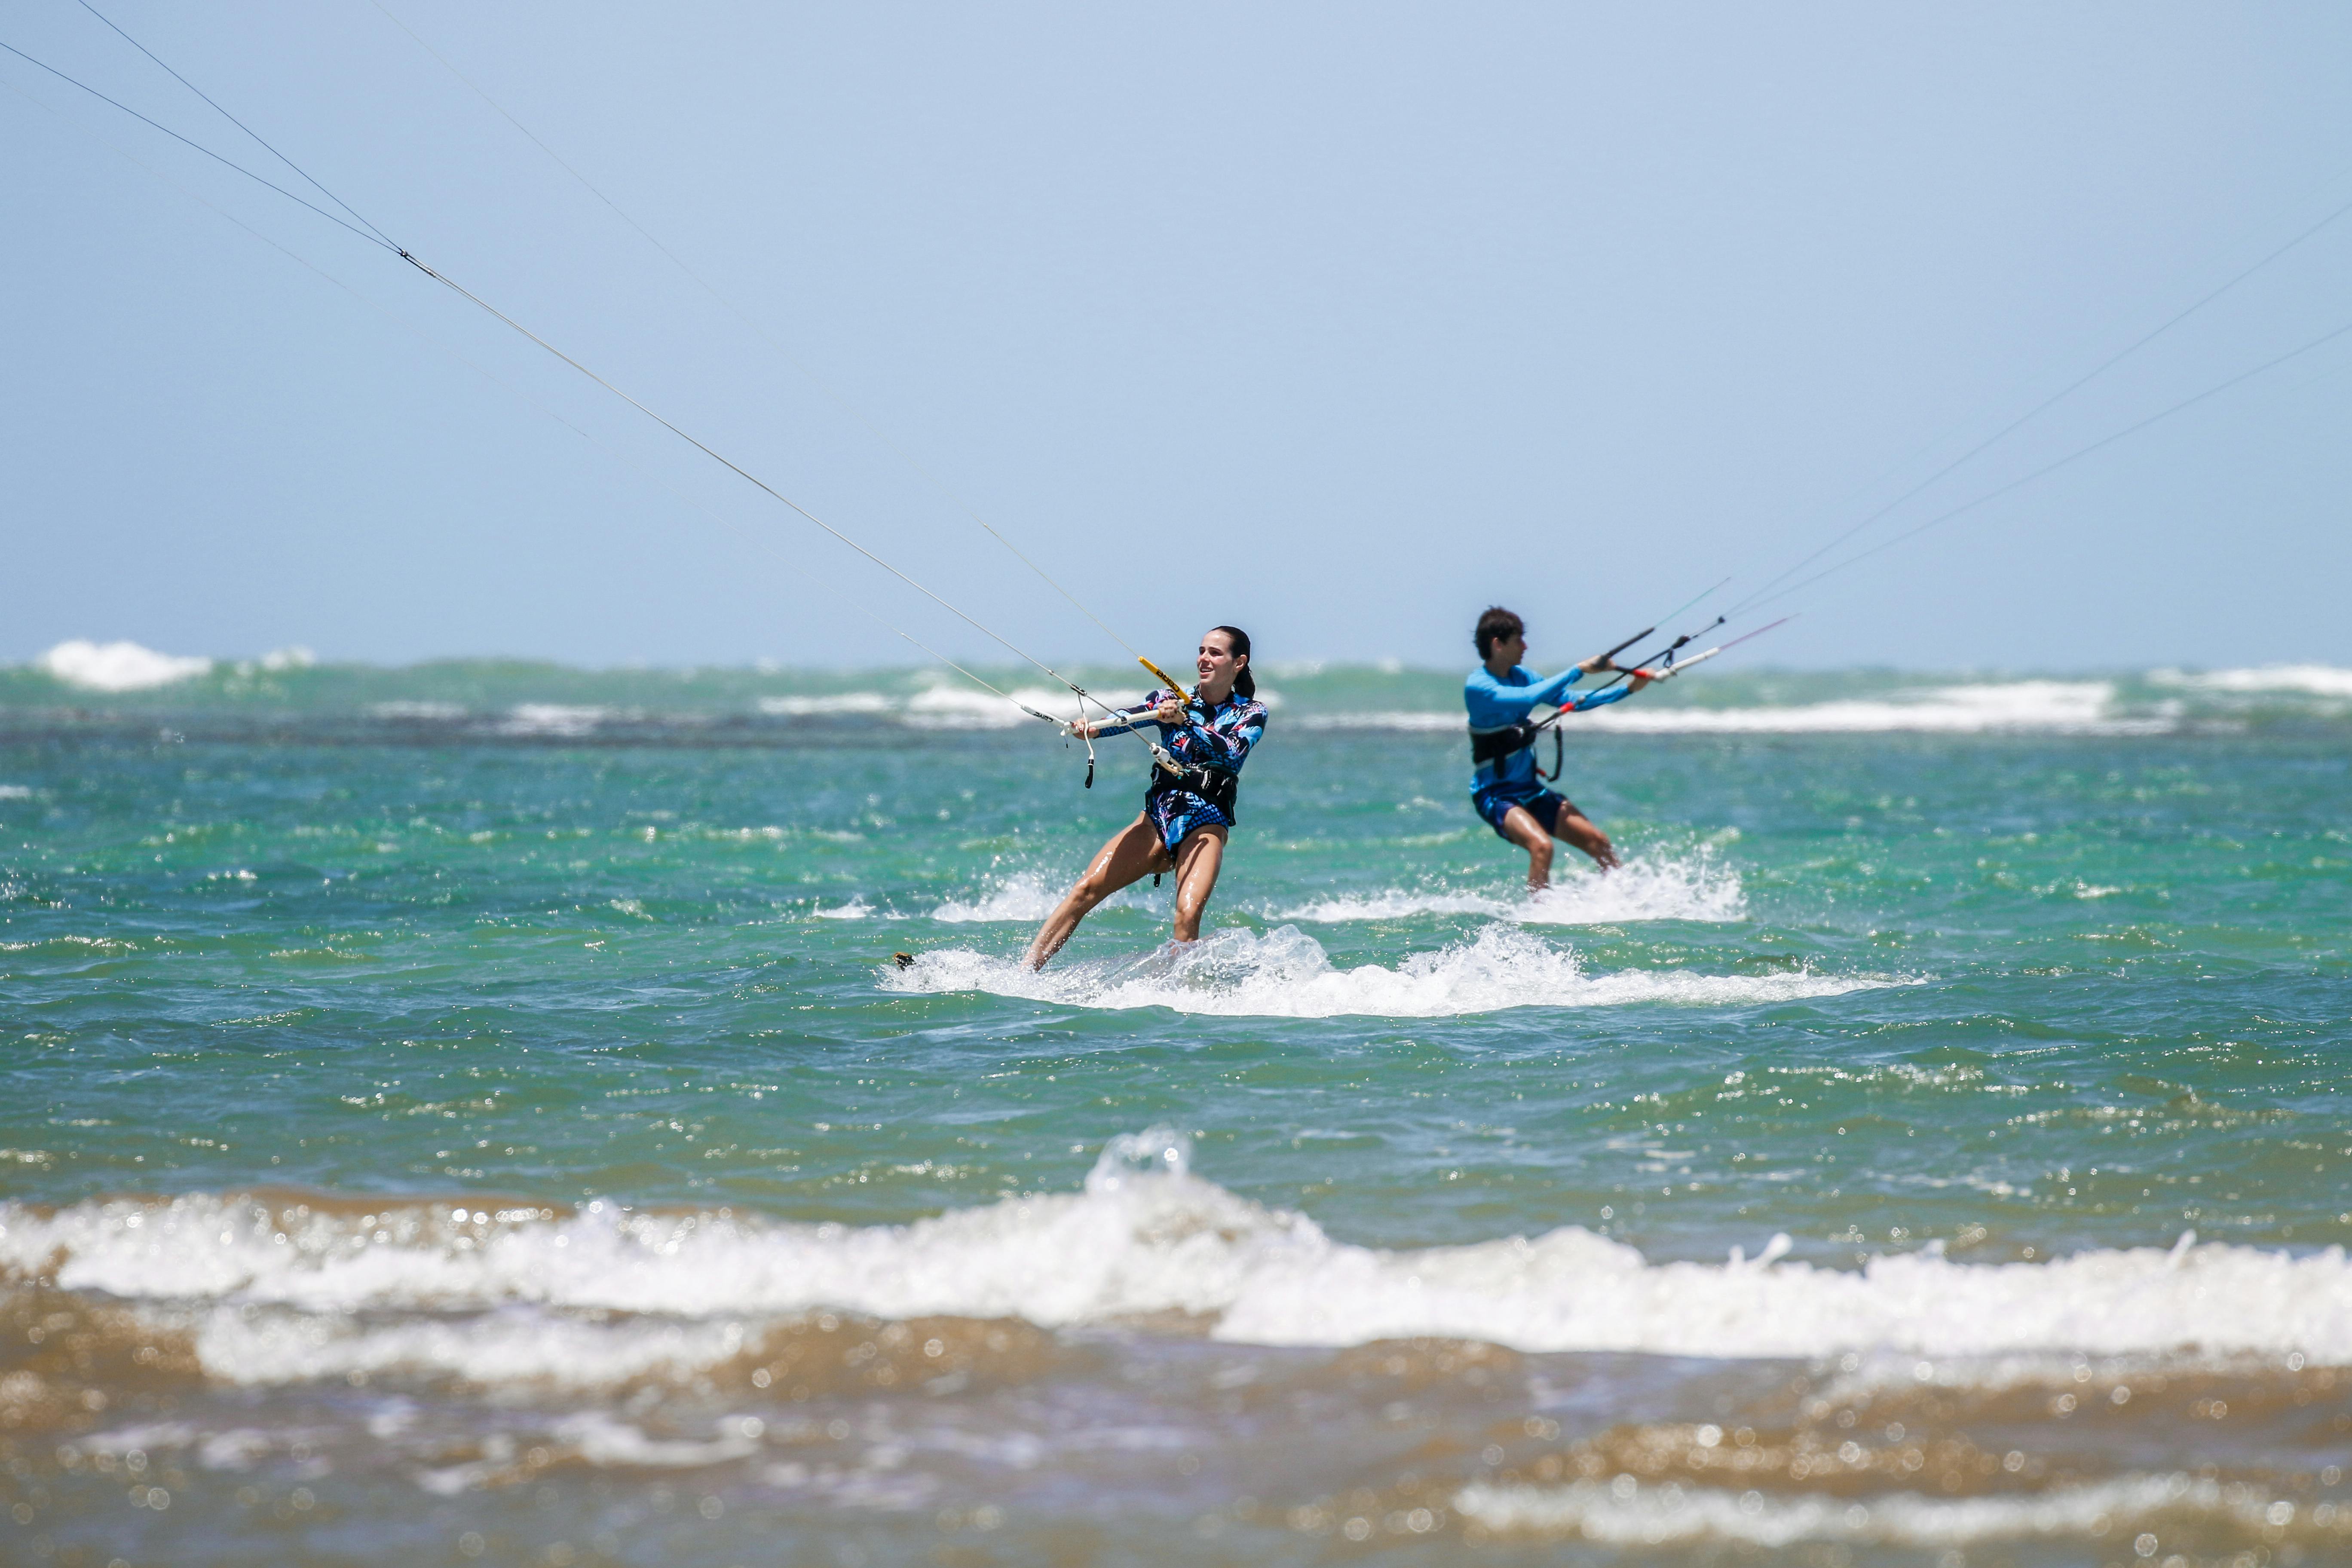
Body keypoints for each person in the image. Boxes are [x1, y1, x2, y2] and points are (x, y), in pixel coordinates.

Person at [1023, 626, 1267, 969]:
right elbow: (1126, 717)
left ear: (1238, 663)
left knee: (1188, 912)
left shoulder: (1251, 712)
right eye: (1201, 651)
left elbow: (1229, 752)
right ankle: (1025, 973)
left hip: (1206, 821)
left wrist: (1186, 723)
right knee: (1086, 889)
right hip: (1158, 817)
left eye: (1215, 653)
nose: (1204, 658)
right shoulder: (1168, 699)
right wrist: (1091, 729)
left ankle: (1186, 994)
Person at [1466, 606, 1652, 886]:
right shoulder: (1479, 687)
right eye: (1518, 640)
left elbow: (1571, 698)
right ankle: (1536, 919)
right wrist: (1579, 669)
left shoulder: (1523, 675)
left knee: (1598, 842)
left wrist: (1627, 689)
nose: (1525, 646)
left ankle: (1628, 903)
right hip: (1496, 796)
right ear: (1498, 644)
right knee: (1543, 847)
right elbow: (1528, 698)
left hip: (1530, 790)